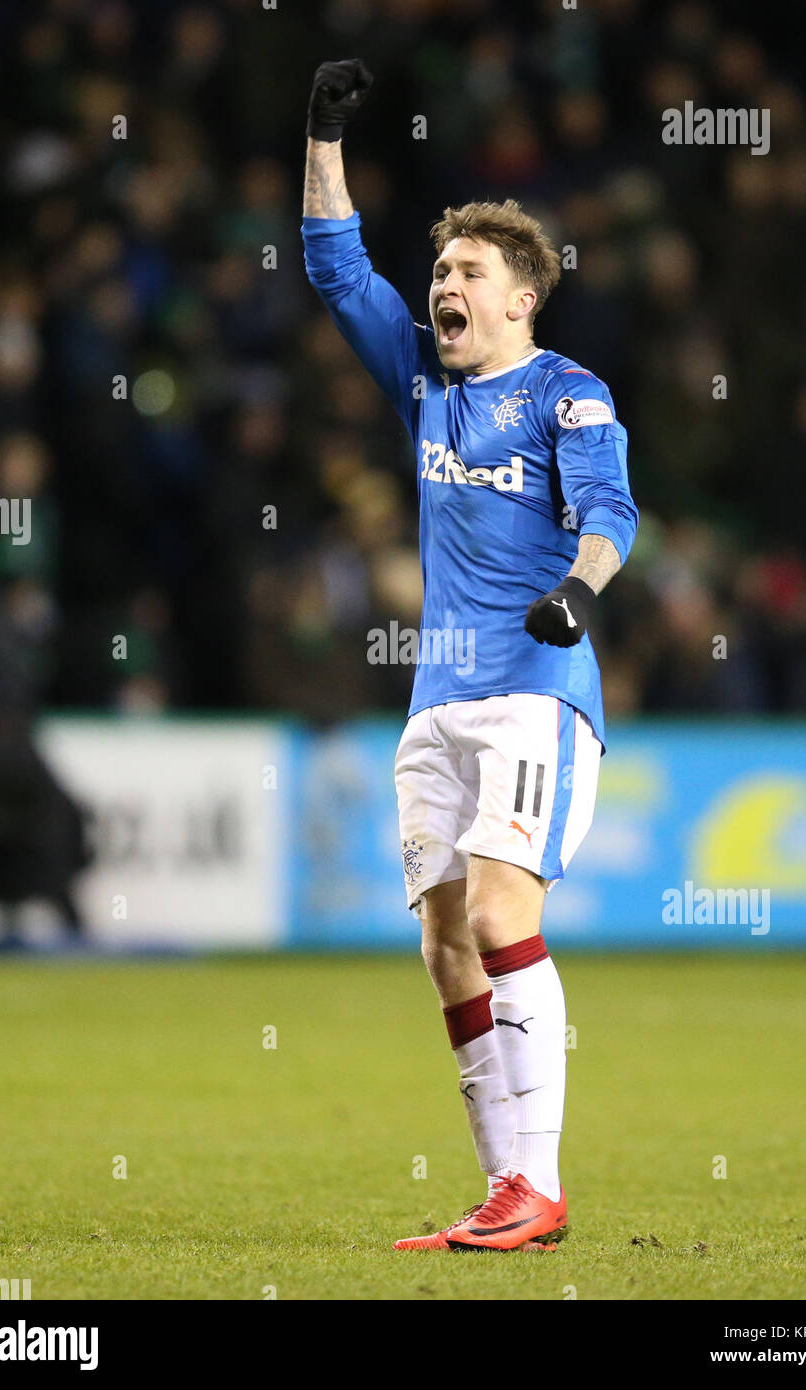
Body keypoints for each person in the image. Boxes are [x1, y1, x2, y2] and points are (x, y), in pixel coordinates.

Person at [302, 61, 638, 1251]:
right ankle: (505, 1192)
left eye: (467, 274)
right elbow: (335, 266)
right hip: (434, 704)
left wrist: (574, 593)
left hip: (536, 696)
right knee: (447, 945)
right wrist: (324, 134)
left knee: (502, 914)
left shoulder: (569, 393)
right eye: (439, 270)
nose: (445, 285)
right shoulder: (422, 387)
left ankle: (541, 1184)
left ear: (522, 300)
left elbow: (612, 513)